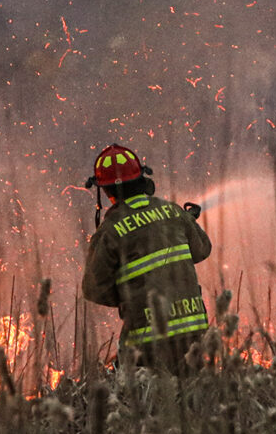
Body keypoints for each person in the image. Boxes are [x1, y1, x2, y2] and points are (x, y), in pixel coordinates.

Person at [81, 144, 212, 371]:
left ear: (105, 191)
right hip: (194, 332)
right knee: (194, 396)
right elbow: (202, 250)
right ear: (142, 178)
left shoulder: (109, 231)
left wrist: (129, 293)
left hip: (147, 342)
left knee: (135, 397)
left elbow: (94, 289)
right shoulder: (173, 211)